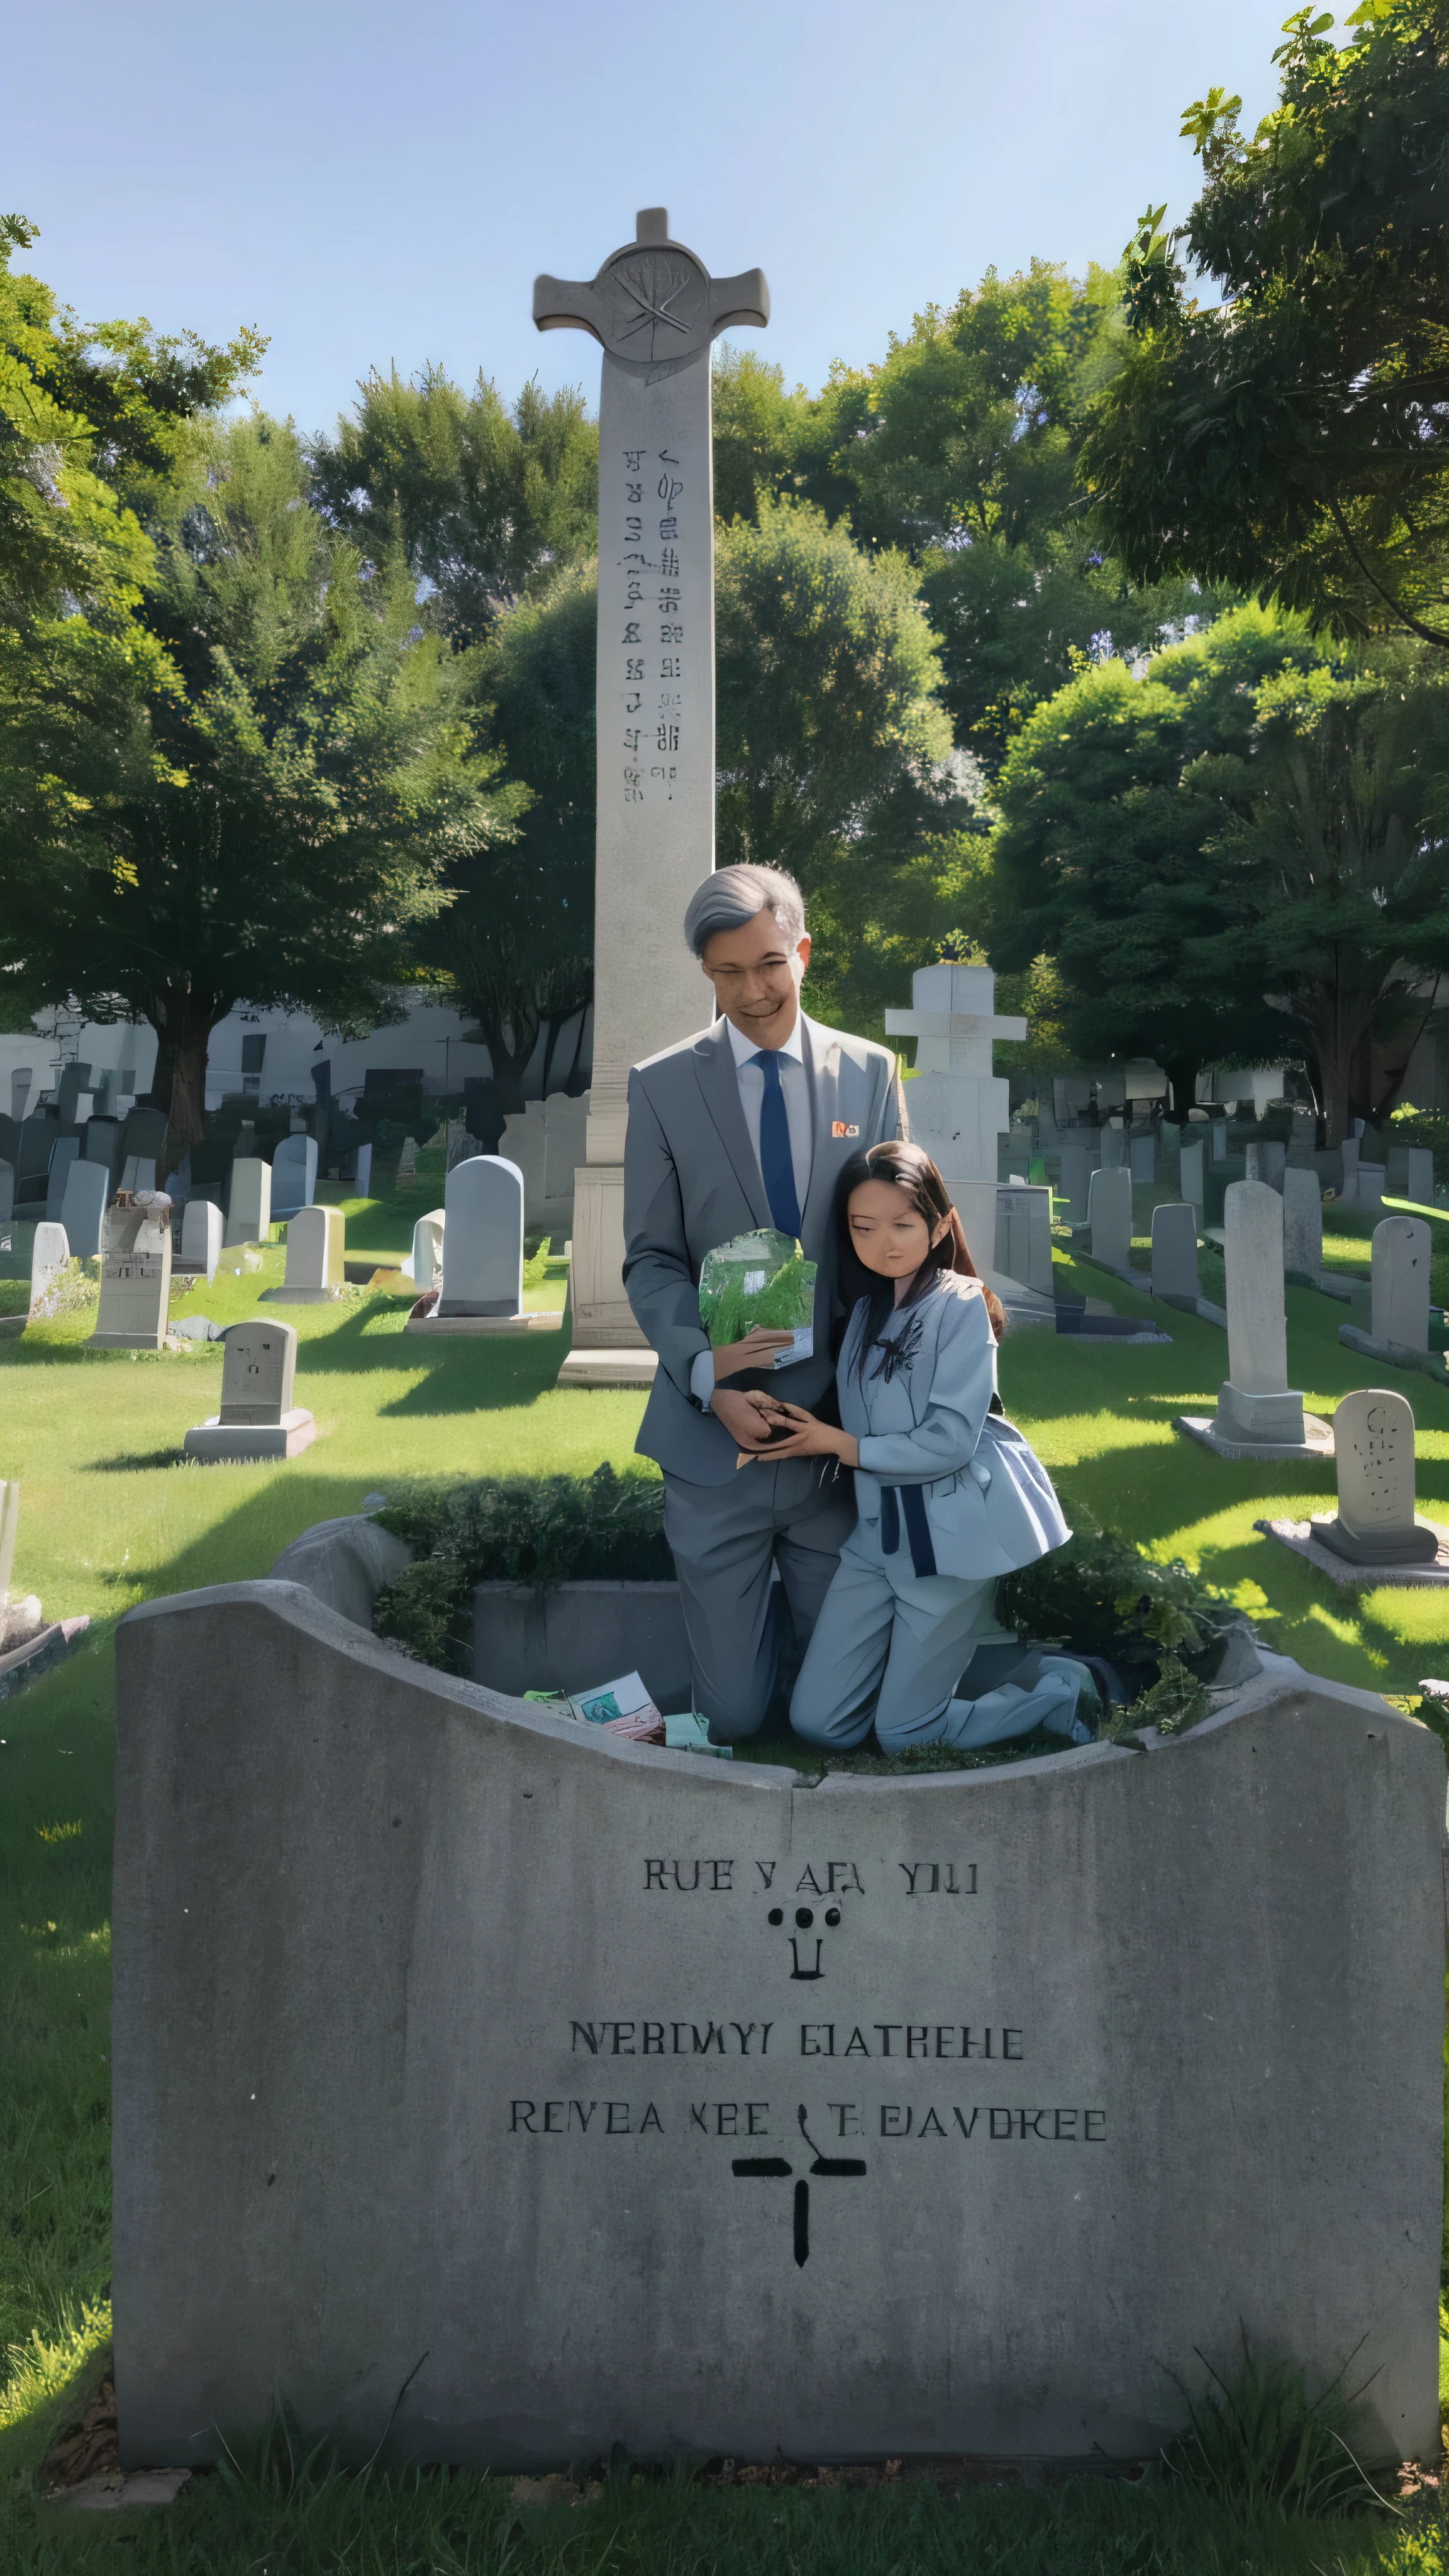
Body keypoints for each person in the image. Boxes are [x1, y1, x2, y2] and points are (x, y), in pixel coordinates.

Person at [623, 863, 902, 1743]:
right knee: (735, 1717)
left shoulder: (871, 1073)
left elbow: (901, 1246)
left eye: (769, 965)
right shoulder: (662, 1086)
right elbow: (652, 1259)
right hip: (714, 1449)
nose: (751, 992)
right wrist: (710, 1379)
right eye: (727, 974)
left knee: (839, 1720)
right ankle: (745, 1673)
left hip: (835, 1450)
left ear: (804, 952)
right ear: (705, 974)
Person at [754, 1140, 1091, 1753]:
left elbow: (949, 1441)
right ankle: (907, 1703)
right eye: (863, 1227)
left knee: (905, 1737)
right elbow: (854, 1412)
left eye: (903, 1224)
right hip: (874, 1545)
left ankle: (1054, 1695)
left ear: (938, 1224)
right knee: (818, 1723)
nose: (884, 1243)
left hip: (947, 1547)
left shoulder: (962, 1306)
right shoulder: (863, 1315)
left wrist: (845, 1446)